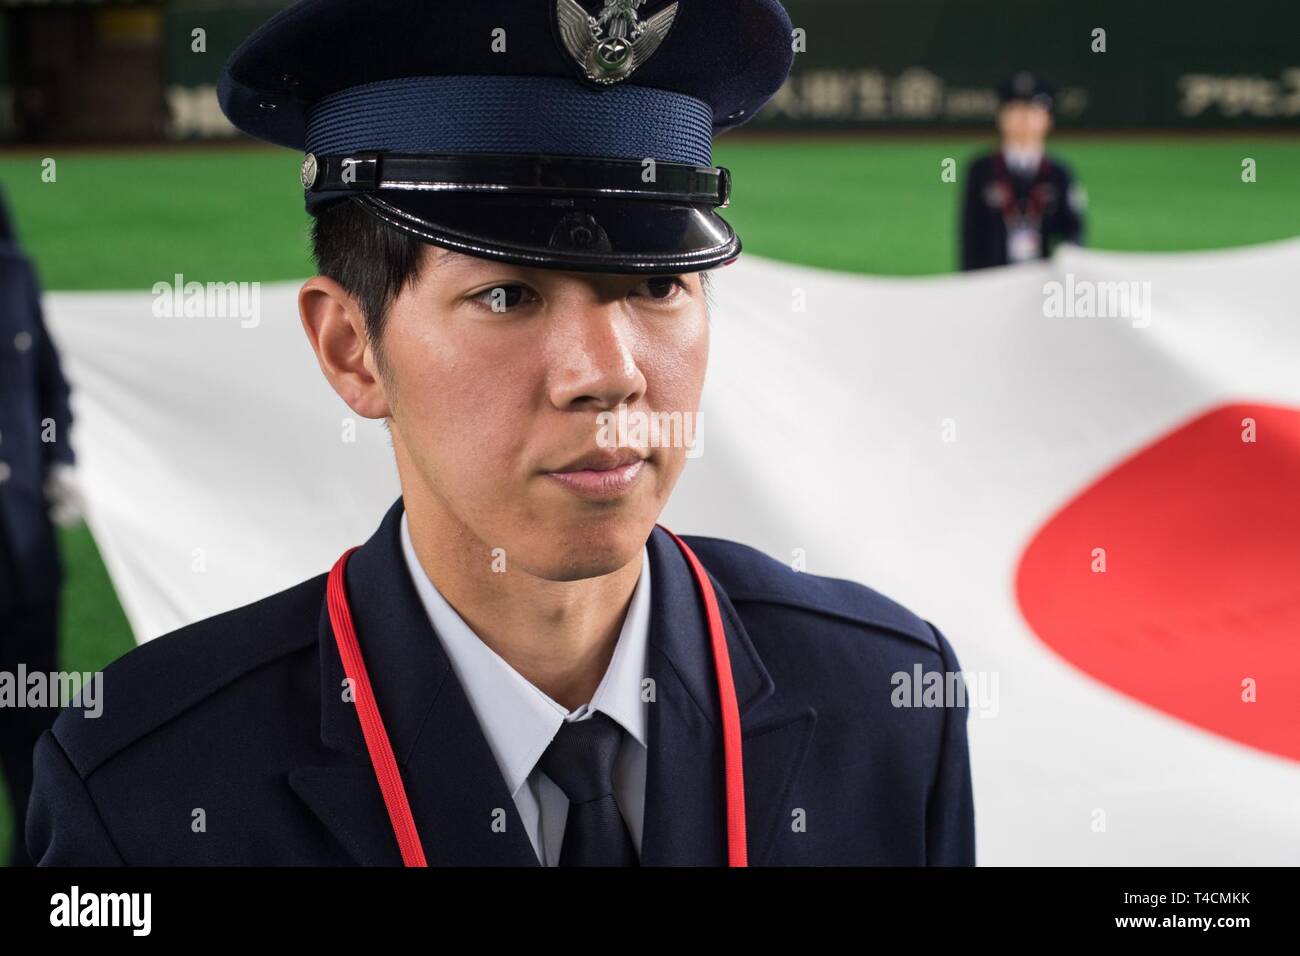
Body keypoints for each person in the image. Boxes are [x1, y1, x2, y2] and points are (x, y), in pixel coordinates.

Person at [26, 0, 975, 866]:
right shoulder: (143, 797)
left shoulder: (890, 705)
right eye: (506, 294)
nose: (608, 373)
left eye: (658, 285)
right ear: (352, 349)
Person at [0, 187, 82, 866]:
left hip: (22, 548)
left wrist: (58, 460)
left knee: (31, 728)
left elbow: (50, 381)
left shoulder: (13, 271)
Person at [960, 71, 1086, 270]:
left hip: (1041, 284)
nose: (1024, 118)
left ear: (1048, 120)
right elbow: (969, 236)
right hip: (992, 281)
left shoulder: (1058, 173)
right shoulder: (981, 171)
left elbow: (1075, 232)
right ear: (1001, 117)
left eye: (1033, 110)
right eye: (1016, 109)